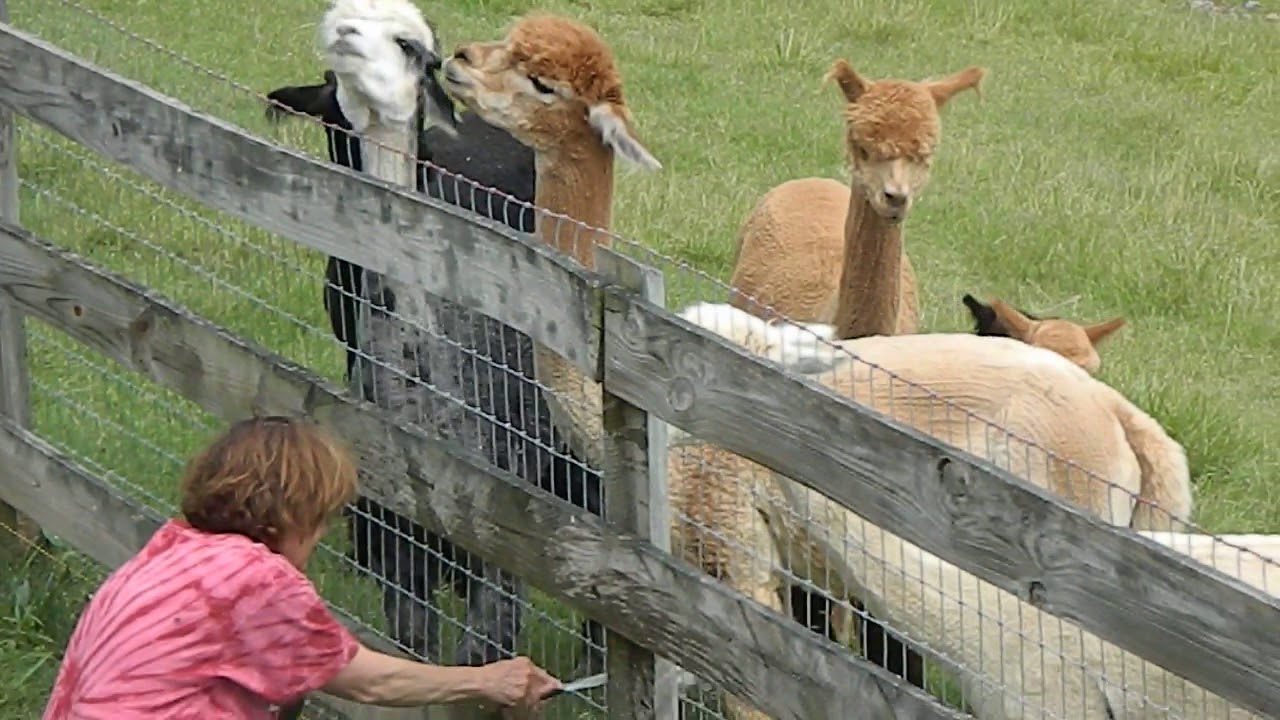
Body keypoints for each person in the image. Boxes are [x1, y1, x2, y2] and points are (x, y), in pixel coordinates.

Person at [42, 415, 561, 719]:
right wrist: (486, 680)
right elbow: (369, 682)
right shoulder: (256, 579)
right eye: (322, 518)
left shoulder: (168, 553)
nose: (321, 534)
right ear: (295, 512)